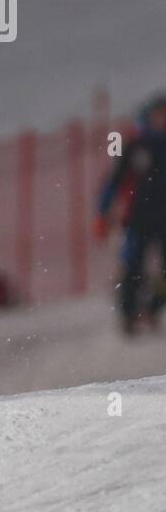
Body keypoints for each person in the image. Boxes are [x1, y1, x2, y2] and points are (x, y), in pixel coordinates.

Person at [95, 93, 166, 335]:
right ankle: (128, 315)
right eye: (159, 115)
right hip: (138, 219)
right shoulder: (136, 145)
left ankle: (153, 309)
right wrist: (102, 214)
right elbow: (114, 181)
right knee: (133, 267)